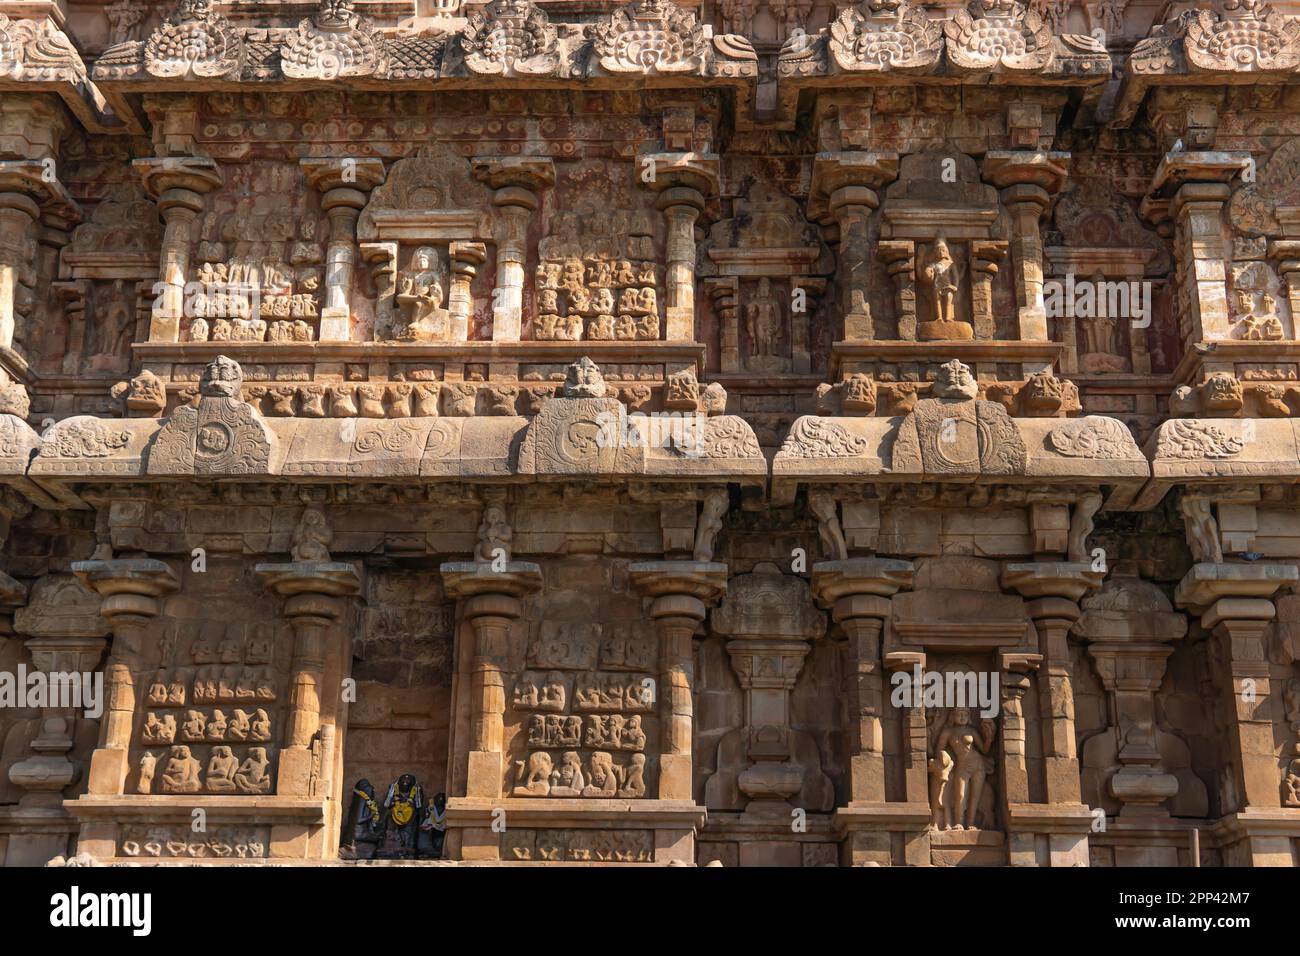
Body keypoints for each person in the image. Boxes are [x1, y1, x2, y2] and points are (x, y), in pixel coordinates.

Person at [418, 791, 448, 859]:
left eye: (442, 799)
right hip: (430, 826)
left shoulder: (446, 809)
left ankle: (438, 851)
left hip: (441, 829)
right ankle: (427, 849)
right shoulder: (431, 806)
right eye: (439, 799)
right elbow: (426, 817)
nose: (440, 801)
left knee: (439, 840)